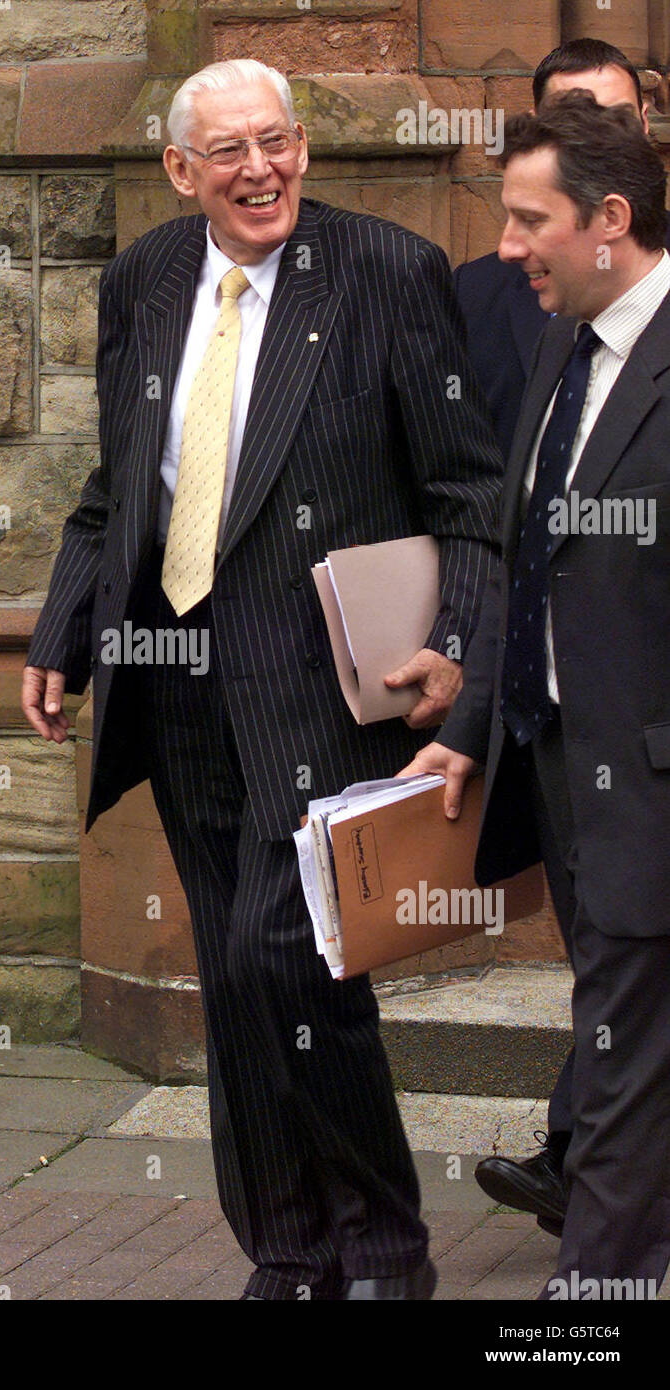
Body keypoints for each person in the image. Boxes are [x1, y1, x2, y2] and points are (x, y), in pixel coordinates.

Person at [22, 57, 502, 1300]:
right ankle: (287, 1251)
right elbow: (115, 487)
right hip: (175, 682)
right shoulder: (140, 282)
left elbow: (470, 495)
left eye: (276, 142)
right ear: (181, 172)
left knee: (291, 955)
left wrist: (459, 644)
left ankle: (385, 1248)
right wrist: (61, 635)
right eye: (228, 152)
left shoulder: (385, 273)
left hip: (319, 683)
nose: (259, 170)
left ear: (302, 148)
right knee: (233, 979)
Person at [402, 92, 670, 1296]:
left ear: (607, 220)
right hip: (561, 766)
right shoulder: (562, 341)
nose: (505, 249)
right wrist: (468, 729)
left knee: (619, 1066)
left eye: (527, 220)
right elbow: (522, 554)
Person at [454, 38, 661, 463]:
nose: (599, 145)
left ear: (645, 125)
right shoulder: (474, 295)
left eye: (614, 122)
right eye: (573, 125)